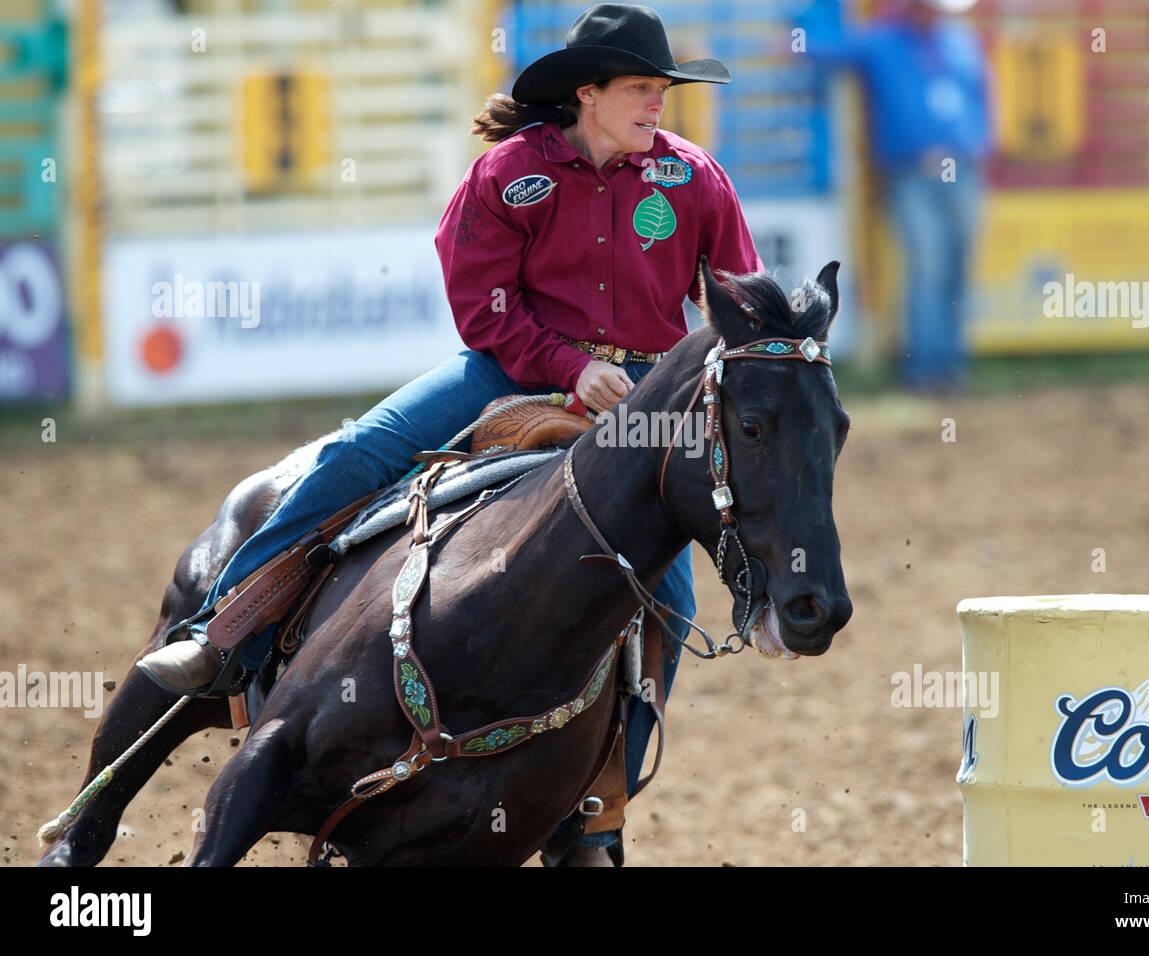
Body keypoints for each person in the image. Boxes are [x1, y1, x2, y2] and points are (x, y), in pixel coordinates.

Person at [136, 2, 762, 865]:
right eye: (641, 89)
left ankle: (596, 800)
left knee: (671, 597)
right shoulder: (509, 176)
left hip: (640, 405)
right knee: (358, 455)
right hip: (511, 371)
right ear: (588, 94)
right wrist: (569, 364)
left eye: (662, 89)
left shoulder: (695, 180)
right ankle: (222, 629)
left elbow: (738, 294)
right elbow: (482, 307)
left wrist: (718, 364)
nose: (659, 105)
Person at [817, 0, 991, 391]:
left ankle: (951, 364)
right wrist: (798, 40)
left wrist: (975, 144)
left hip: (962, 168)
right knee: (928, 264)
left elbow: (981, 96)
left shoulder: (961, 41)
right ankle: (925, 369)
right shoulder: (883, 42)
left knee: (958, 264)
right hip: (911, 170)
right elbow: (832, 50)